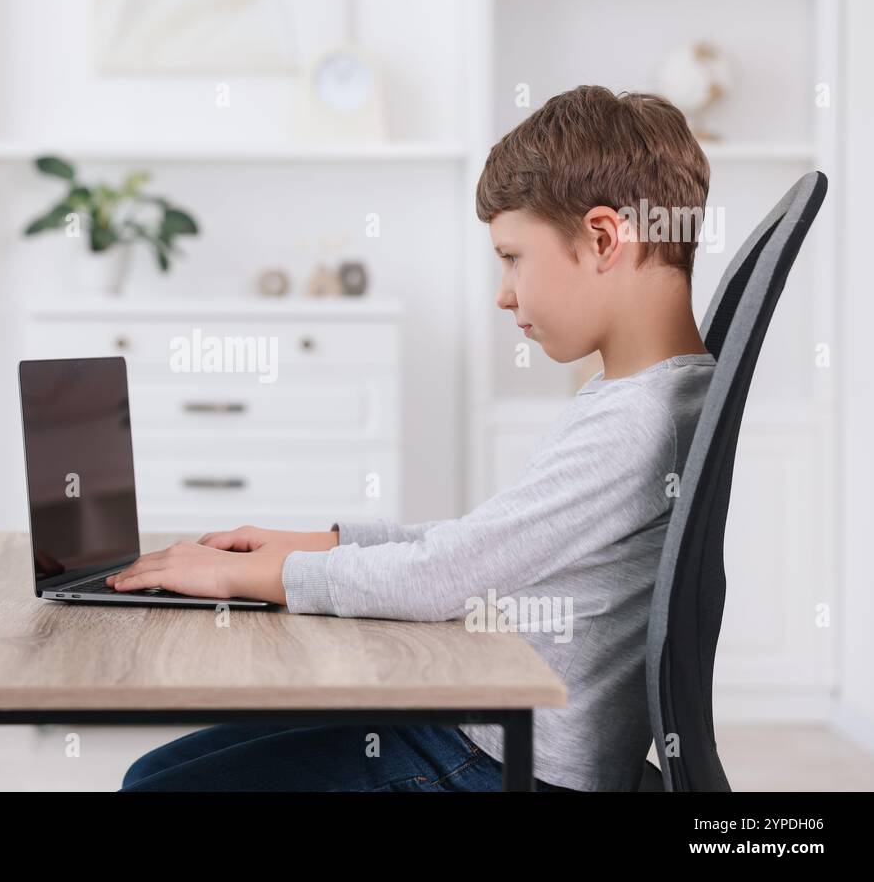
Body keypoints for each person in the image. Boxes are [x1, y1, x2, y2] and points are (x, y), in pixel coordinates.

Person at [114, 85, 718, 792]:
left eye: (513, 256)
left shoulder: (633, 421)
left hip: (494, 761)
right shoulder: (654, 394)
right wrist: (323, 543)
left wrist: (249, 577)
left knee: (153, 788)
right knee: (155, 770)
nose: (503, 291)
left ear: (604, 238)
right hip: (476, 727)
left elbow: (444, 577)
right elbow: (479, 543)